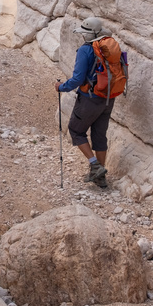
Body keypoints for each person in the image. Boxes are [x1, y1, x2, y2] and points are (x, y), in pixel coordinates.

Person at [55, 16, 115, 188]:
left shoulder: (85, 50)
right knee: (99, 136)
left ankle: (95, 165)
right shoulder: (109, 46)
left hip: (90, 99)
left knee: (76, 130)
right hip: (109, 98)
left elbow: (78, 79)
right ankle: (100, 178)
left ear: (88, 35)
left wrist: (61, 87)